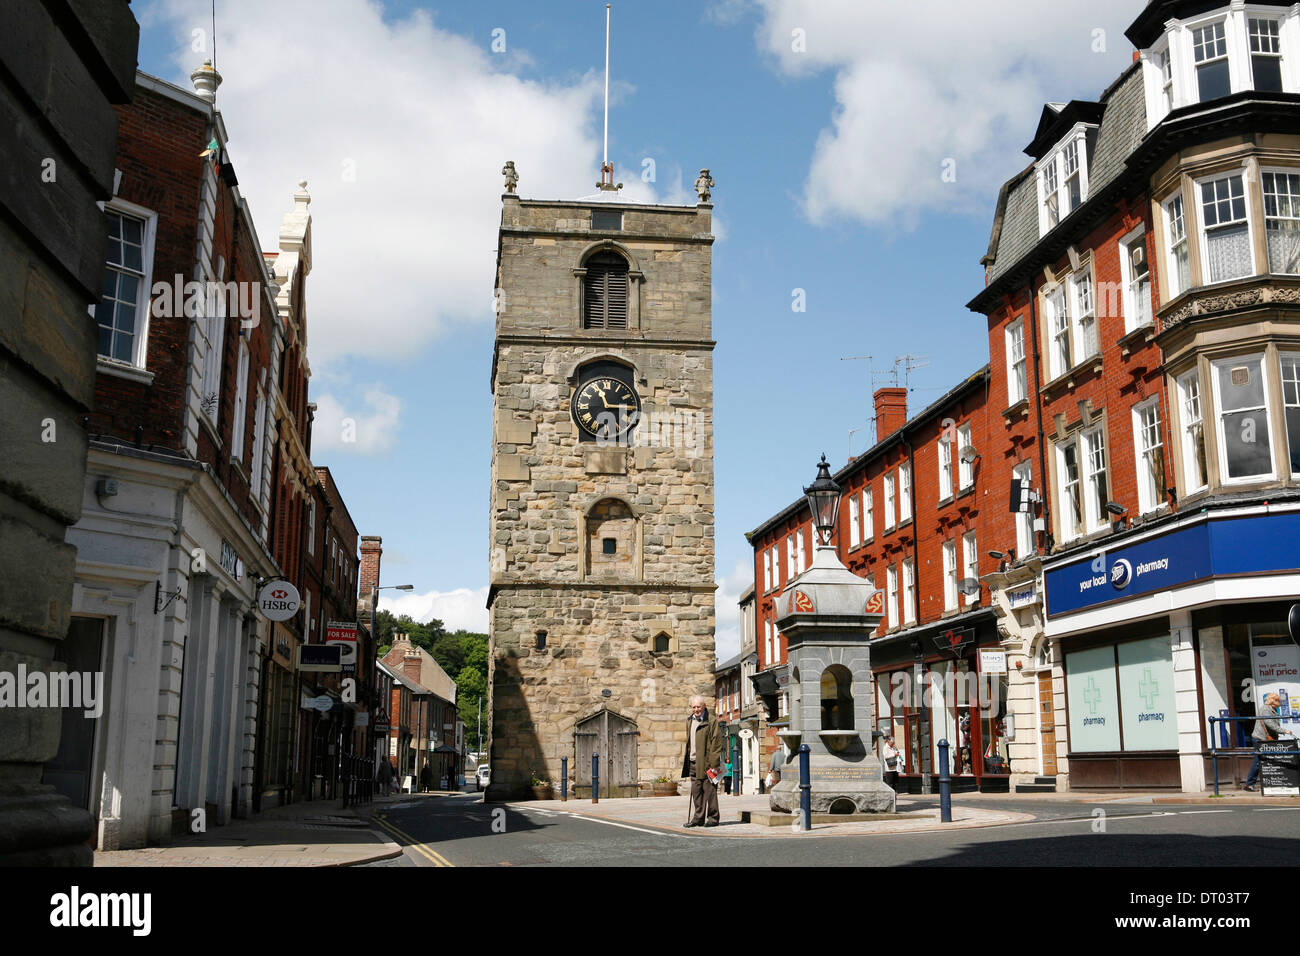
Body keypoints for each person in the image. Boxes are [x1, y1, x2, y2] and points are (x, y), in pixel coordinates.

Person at [679, 695, 722, 827]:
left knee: (710, 791)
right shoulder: (689, 721)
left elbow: (717, 743)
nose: (696, 709)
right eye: (694, 707)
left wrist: (714, 764)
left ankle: (713, 818)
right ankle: (698, 819)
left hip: (708, 762)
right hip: (693, 762)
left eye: (698, 706)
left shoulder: (712, 721)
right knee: (697, 792)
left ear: (704, 706)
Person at [1244, 692, 1286, 791]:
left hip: (1265, 739)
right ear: (1273, 701)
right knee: (1258, 761)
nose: (1280, 702)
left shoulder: (1272, 709)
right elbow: (1269, 723)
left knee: (1265, 760)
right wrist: (1284, 731)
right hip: (1260, 739)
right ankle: (1249, 784)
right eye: (1278, 700)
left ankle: (1273, 782)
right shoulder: (1265, 709)